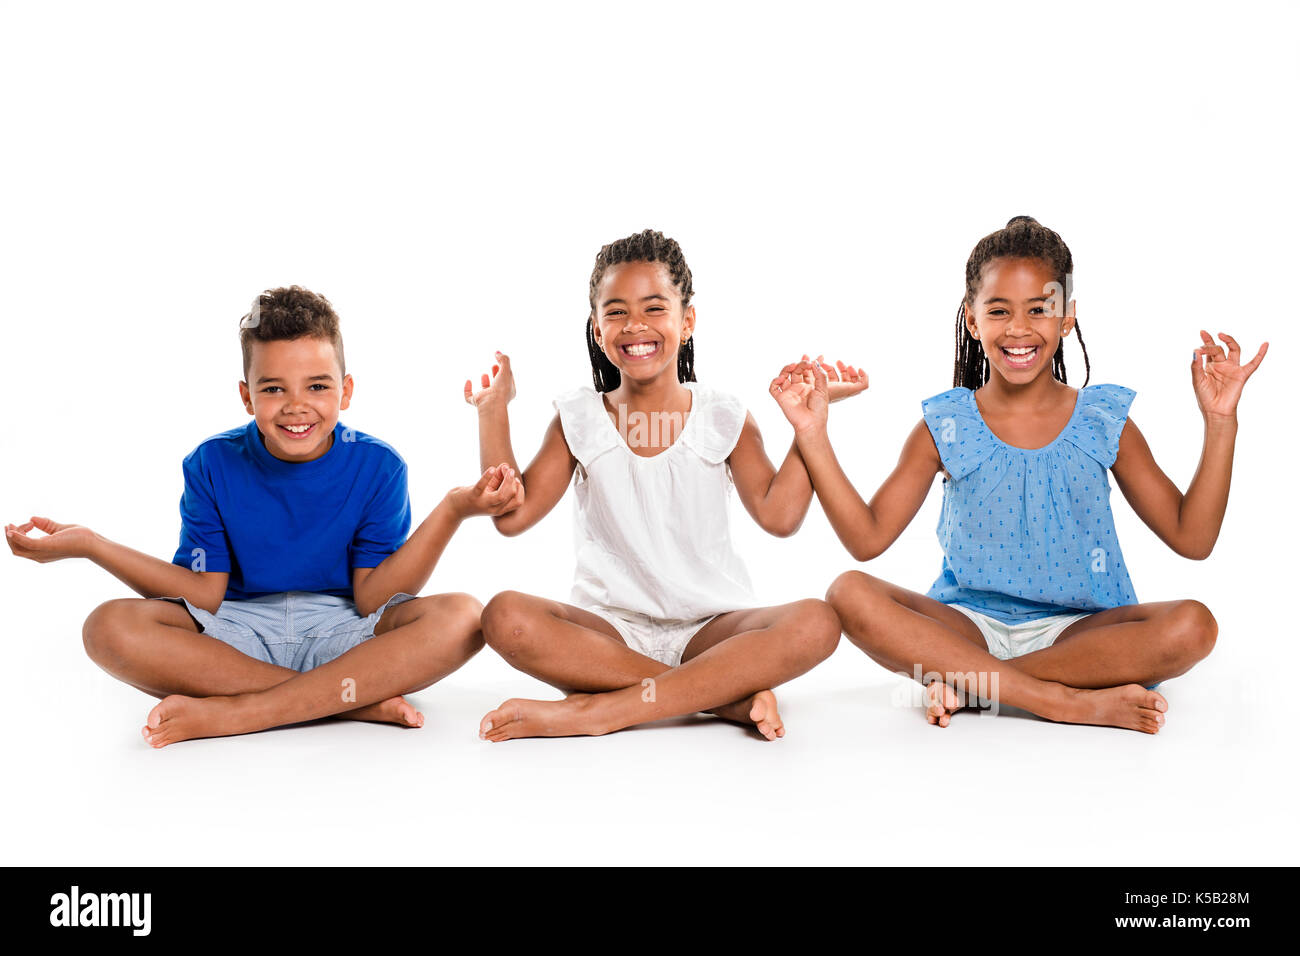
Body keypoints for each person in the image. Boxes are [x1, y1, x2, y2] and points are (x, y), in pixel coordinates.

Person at [783, 216, 1265, 733]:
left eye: (1039, 309)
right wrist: (812, 434)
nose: (1018, 329)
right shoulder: (946, 424)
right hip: (966, 627)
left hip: (1083, 634)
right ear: (972, 320)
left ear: (1066, 318)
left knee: (1193, 627)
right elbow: (866, 538)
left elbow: (1193, 538)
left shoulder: (1103, 419)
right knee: (848, 592)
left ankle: (976, 688)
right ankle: (1061, 701)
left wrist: (1220, 421)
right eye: (998, 311)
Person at [7, 285, 522, 747]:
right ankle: (351, 702)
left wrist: (454, 509)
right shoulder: (211, 462)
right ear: (246, 395)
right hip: (235, 634)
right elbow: (203, 593)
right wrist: (93, 544)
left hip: (343, 633)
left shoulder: (379, 466)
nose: (296, 406)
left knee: (462, 618)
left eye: (317, 387)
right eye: (274, 388)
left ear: (345, 390)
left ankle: (244, 712)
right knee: (107, 627)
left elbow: (373, 598)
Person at [463, 229, 859, 741]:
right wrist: (494, 410)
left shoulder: (723, 415)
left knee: (818, 622)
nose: (635, 326)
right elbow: (511, 515)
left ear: (687, 320)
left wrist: (808, 428)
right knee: (504, 617)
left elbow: (780, 517)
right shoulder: (578, 416)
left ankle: (603, 711)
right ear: (596, 328)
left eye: (654, 308)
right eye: (615, 312)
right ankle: (724, 699)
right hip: (608, 635)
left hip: (712, 630)